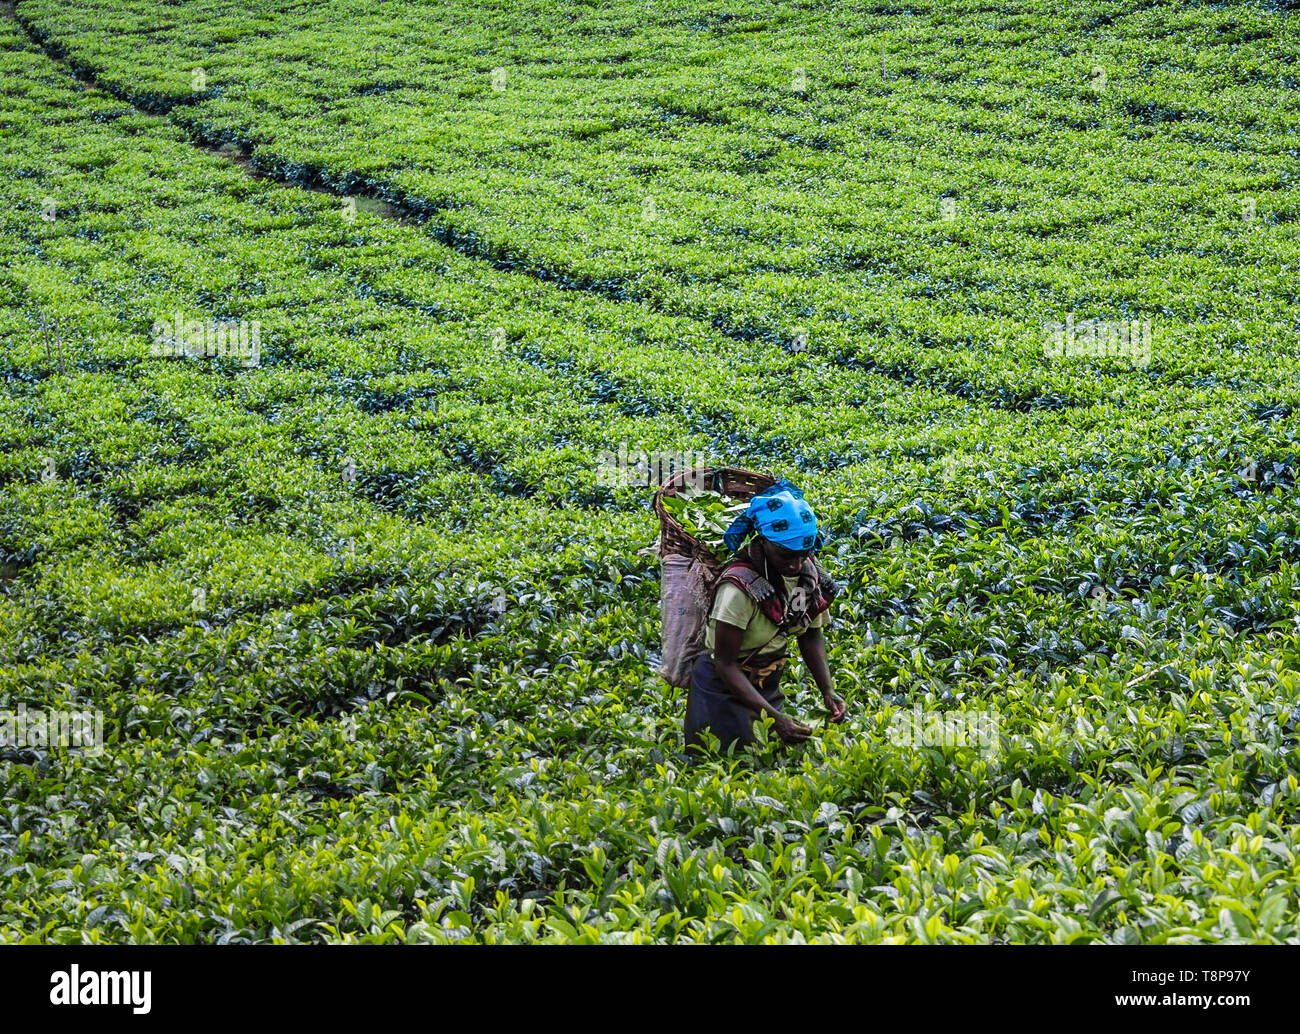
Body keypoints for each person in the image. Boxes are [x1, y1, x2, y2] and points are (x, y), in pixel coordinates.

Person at [683, 480, 846, 757]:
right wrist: (775, 718)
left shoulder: (806, 576)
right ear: (764, 542)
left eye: (802, 555)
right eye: (785, 556)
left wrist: (827, 690)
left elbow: (809, 633)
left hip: (766, 684)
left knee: (766, 762)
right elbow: (725, 665)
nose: (794, 565)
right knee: (718, 762)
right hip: (721, 690)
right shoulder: (739, 588)